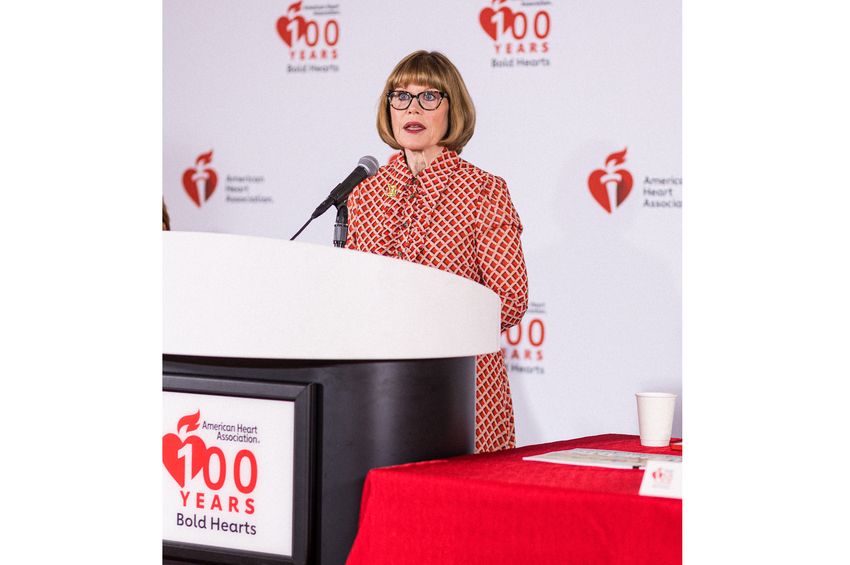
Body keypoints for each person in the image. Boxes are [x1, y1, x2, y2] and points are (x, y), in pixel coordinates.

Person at [345, 50, 528, 453]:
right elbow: (352, 294)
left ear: (452, 109)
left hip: (461, 386)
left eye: (429, 97)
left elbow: (510, 300)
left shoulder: (483, 190)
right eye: (401, 96)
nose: (413, 108)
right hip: (379, 384)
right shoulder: (364, 193)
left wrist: (431, 324)